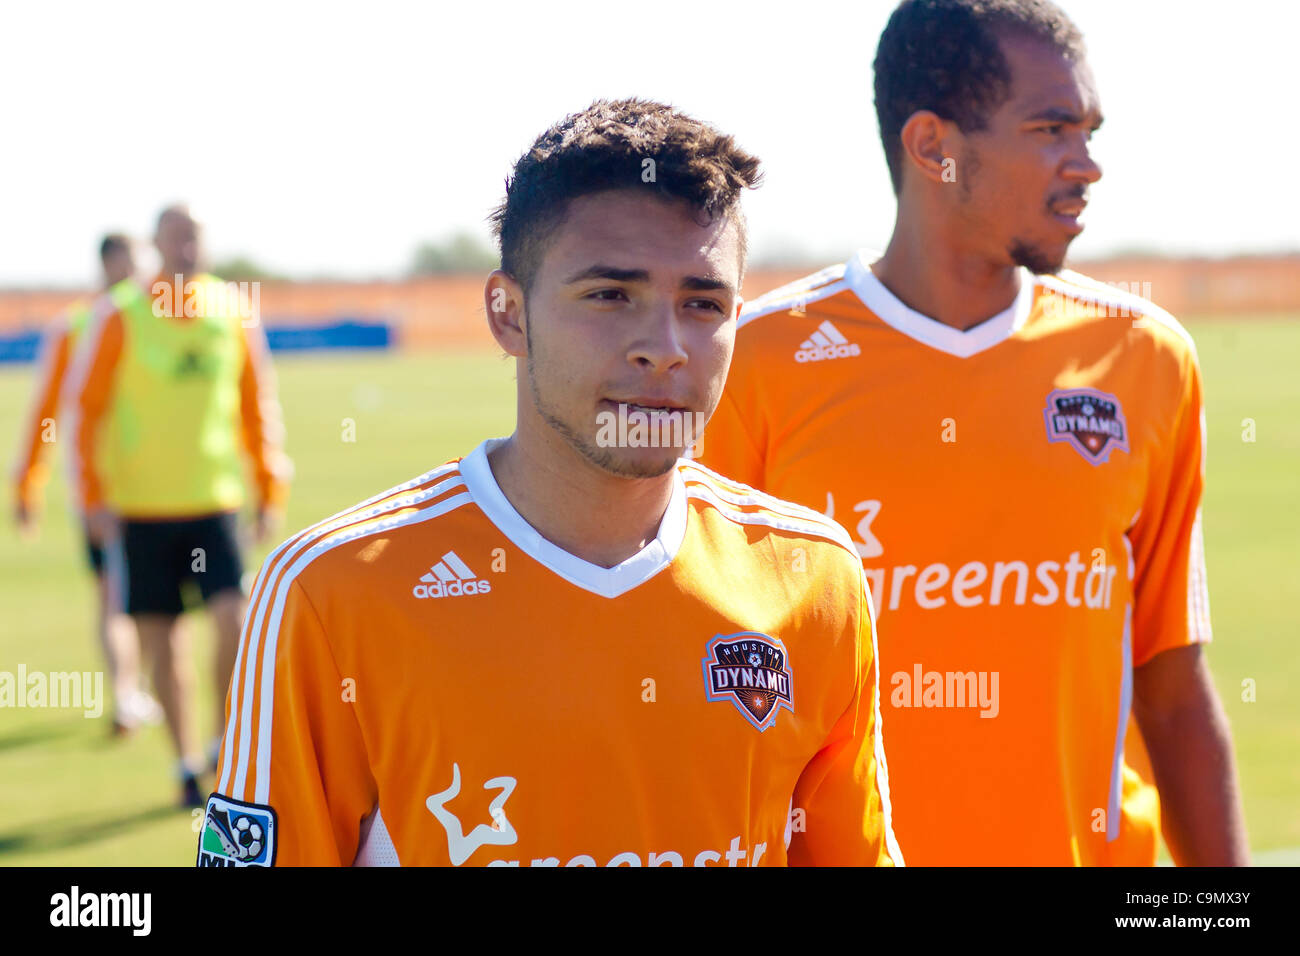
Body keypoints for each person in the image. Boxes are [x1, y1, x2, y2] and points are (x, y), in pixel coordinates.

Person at [199, 99, 901, 867]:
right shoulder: (331, 593)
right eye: (610, 295)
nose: (665, 349)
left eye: (703, 304)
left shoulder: (812, 576)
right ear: (508, 314)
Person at [700, 0, 1248, 865]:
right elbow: (705, 691)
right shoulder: (756, 365)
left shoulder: (1143, 359)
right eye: (1051, 128)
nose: (1089, 164)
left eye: (1091, 129)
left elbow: (1173, 688)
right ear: (934, 148)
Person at [70, 206, 291, 806]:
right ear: (157, 247)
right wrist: (91, 495)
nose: (186, 248)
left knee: (235, 621)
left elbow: (256, 403)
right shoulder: (122, 315)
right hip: (141, 510)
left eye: (194, 236)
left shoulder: (233, 312)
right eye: (174, 238)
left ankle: (226, 741)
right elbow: (83, 411)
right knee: (163, 642)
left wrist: (270, 482)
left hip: (211, 504)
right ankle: (185, 765)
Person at [10, 233, 159, 735]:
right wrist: (28, 483)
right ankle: (125, 695)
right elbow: (45, 411)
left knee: (149, 600)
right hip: (103, 493)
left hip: (162, 490)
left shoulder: (164, 320)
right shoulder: (76, 326)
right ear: (106, 266)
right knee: (115, 592)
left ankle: (139, 691)